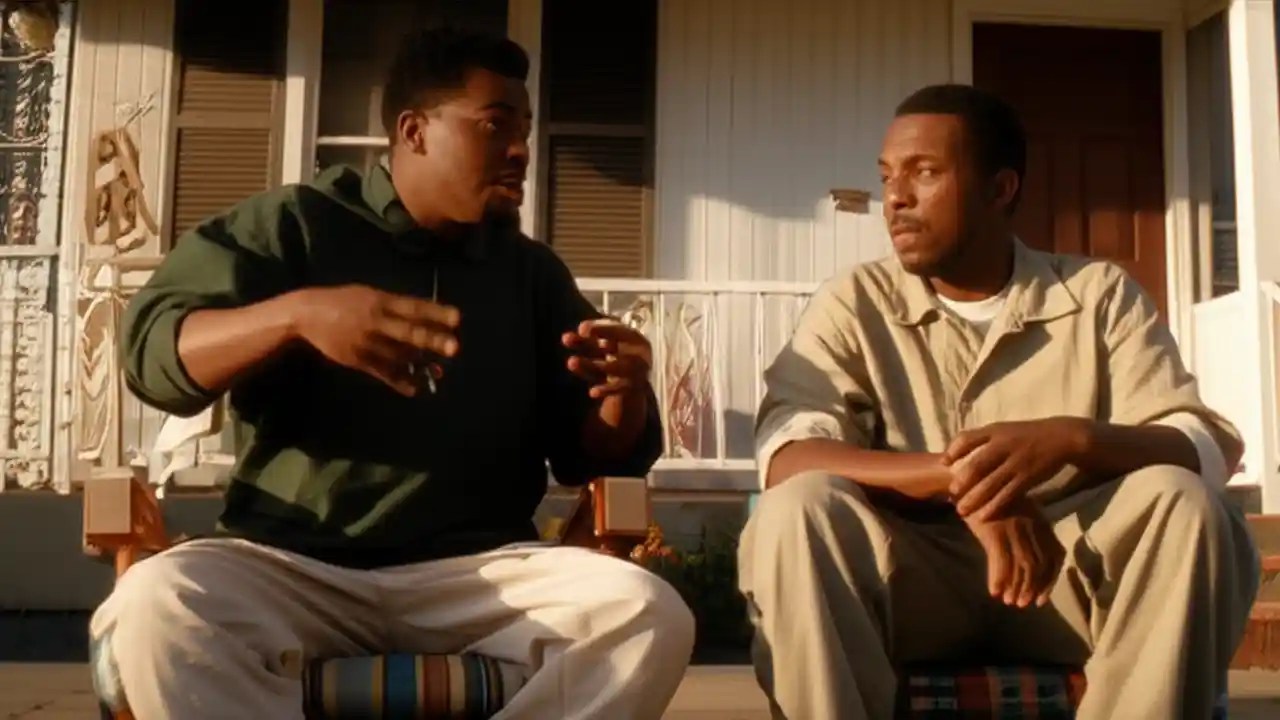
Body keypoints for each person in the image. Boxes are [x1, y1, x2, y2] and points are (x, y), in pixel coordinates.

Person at [91, 27, 694, 720]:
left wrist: (623, 395)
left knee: (647, 614)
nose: (522, 150)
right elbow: (152, 353)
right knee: (155, 603)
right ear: (414, 131)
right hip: (293, 569)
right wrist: (298, 316)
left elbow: (591, 457)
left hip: (478, 577)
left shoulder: (529, 274)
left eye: (525, 130)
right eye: (496, 125)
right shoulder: (294, 226)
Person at [738, 83, 1260, 720]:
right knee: (797, 508)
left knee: (1187, 502)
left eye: (924, 172)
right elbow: (788, 453)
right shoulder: (853, 301)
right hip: (911, 581)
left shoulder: (1098, 294)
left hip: (1064, 580)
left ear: (1000, 189)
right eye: (887, 176)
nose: (895, 197)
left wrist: (1071, 439)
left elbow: (1206, 445)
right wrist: (966, 483)